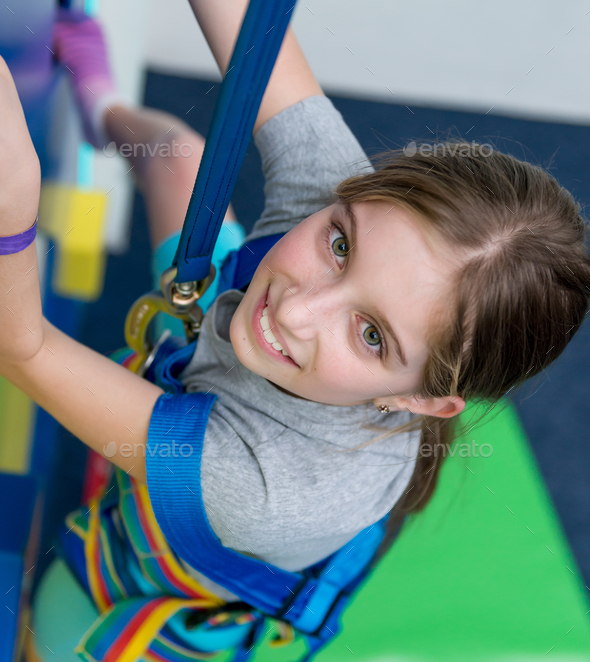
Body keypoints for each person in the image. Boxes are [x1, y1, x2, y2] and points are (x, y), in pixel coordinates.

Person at [0, 2, 589, 660]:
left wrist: (11, 208)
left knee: (52, 623)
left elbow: (23, 346)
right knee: (178, 159)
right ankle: (99, 100)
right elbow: (253, 31)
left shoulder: (264, 489)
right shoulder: (353, 202)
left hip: (149, 572)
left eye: (371, 335)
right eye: (339, 245)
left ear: (424, 399)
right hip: (208, 349)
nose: (296, 311)